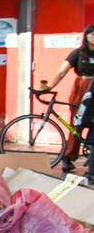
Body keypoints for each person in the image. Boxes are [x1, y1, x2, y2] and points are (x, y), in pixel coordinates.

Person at [39, 24, 94, 171]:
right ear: (86, 36)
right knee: (77, 124)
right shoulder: (77, 53)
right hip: (82, 89)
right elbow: (61, 72)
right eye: (91, 34)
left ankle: (91, 157)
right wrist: (49, 87)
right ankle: (68, 157)